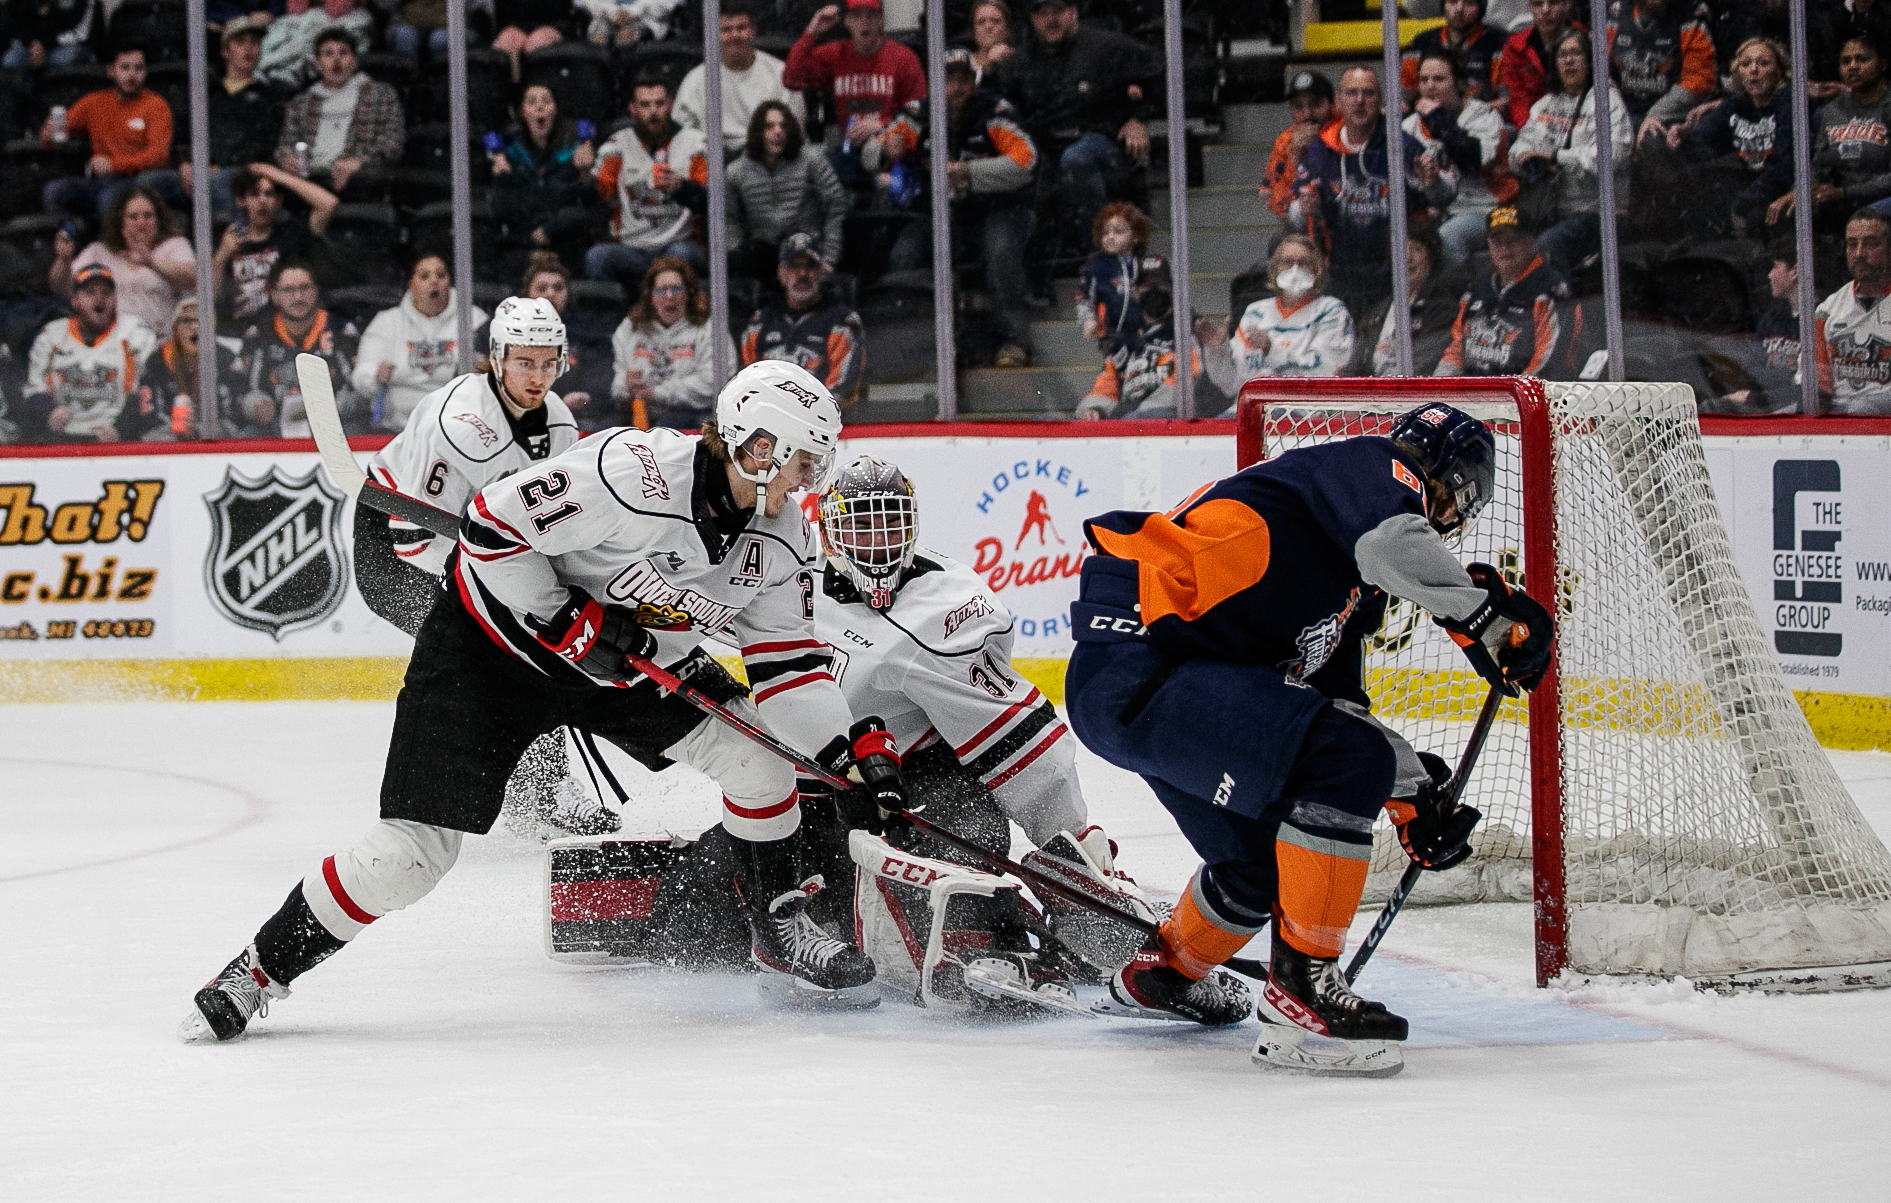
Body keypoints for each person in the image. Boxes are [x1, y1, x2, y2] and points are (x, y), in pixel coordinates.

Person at [180, 360, 912, 1042]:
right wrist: (562, 616)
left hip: (622, 667)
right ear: (758, 448)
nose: (811, 481)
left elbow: (785, 661)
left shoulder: (781, 536)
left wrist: (845, 750)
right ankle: (257, 970)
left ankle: (778, 928)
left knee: (763, 766)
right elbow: (492, 527)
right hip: (488, 650)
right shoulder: (631, 472)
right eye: (804, 462)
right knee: (410, 858)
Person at [1064, 402, 1552, 1077]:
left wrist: (1413, 791)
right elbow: (1390, 542)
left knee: (1259, 863)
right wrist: (1483, 614)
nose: (1441, 515)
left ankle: (1164, 974)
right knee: (1346, 761)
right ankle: (1304, 985)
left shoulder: (1347, 585)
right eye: (1444, 499)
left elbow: (1334, 709)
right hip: (1149, 663)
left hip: (1156, 687)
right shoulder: (1369, 465)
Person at [355, 297, 606, 838]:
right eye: (524, 362)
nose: (538, 377)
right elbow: (414, 538)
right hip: (393, 544)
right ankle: (505, 792)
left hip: (477, 549)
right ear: (496, 359)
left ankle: (535, 793)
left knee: (534, 649)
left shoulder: (560, 424)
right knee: (496, 654)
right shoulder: (458, 425)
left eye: (548, 362)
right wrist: (507, 582)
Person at [873, 49, 1039, 367]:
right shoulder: (918, 113)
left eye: (964, 79)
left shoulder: (994, 111)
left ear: (974, 82)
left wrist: (970, 173)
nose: (957, 87)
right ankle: (913, 347)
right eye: (949, 80)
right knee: (904, 254)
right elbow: (872, 148)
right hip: (937, 213)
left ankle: (1014, 340)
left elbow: (1026, 160)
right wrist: (884, 150)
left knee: (1000, 249)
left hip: (996, 209)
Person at [1288, 66, 1454, 322]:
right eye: (1352, 93)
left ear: (1379, 101)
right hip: (1341, 270)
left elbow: (1445, 195)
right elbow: (1296, 216)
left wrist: (1431, 182)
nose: (1360, 101)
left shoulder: (1401, 144)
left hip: (1396, 272)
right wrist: (1306, 207)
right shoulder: (1320, 149)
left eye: (1368, 93)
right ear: (1339, 102)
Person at [999, 0, 1160, 251]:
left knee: (1076, 160)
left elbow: (1158, 69)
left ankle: (1103, 253)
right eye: (1042, 13)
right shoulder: (1021, 61)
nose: (1050, 19)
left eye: (1058, 11)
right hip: (1048, 148)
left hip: (1102, 142)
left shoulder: (1107, 46)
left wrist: (1138, 118)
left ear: (1073, 12)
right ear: (1032, 19)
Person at [136, 17, 286, 225]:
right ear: (225, 52)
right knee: (146, 183)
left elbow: (266, 145)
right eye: (240, 42)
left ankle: (226, 248)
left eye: (254, 43)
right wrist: (186, 164)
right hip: (196, 173)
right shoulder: (205, 92)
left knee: (223, 181)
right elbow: (181, 135)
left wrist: (218, 167)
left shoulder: (270, 95)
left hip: (239, 173)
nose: (249, 49)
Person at [1510, 29, 1631, 279]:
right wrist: (1526, 157)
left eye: (1576, 53)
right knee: (1503, 236)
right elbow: (1519, 148)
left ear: (1590, 60)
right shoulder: (1546, 103)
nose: (1569, 60)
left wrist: (1557, 158)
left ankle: (1563, 310)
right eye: (1562, 55)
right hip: (1548, 208)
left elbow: (1612, 158)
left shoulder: (1607, 101)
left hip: (1595, 212)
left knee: (1548, 243)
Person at [783, 0, 928, 189]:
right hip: (850, 153)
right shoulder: (835, 54)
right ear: (847, 21)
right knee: (812, 168)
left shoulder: (903, 58)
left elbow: (921, 111)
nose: (864, 22)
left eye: (871, 15)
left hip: (892, 147)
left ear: (881, 21)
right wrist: (813, 29)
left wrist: (883, 124)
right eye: (857, 16)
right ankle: (875, 183)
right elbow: (791, 78)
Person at [588, 77, 710, 295]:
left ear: (670, 105)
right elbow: (597, 195)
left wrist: (681, 187)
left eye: (659, 104)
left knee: (680, 254)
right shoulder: (617, 144)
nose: (653, 111)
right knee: (598, 257)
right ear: (632, 108)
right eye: (645, 105)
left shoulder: (695, 143)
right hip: (632, 248)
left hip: (679, 243)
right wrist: (583, 172)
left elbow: (711, 201)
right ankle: (620, 319)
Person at [1075, 261, 1233, 419]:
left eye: (1159, 284)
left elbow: (1189, 382)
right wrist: (1094, 409)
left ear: (1172, 289)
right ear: (1135, 292)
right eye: (1146, 285)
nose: (1153, 290)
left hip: (1170, 418)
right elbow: (1107, 382)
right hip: (1129, 419)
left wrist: (1139, 413)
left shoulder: (1190, 329)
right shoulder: (1124, 338)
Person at [19, 264, 157, 444]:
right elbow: (33, 387)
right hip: (61, 437)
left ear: (115, 299)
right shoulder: (53, 335)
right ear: (75, 300)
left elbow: (146, 391)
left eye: (106, 293)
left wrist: (122, 429)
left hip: (116, 438)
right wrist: (49, 412)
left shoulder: (134, 332)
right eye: (90, 292)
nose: (99, 299)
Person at [1671, 36, 1793, 239]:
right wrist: (1682, 137)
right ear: (1738, 72)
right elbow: (1701, 143)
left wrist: (1742, 203)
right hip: (1752, 182)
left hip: (1782, 188)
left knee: (1755, 216)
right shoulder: (1734, 104)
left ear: (1779, 71)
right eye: (1746, 64)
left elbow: (1783, 167)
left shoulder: (1787, 102)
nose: (1754, 70)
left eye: (1763, 63)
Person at [353, 254, 490, 432]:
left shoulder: (474, 319)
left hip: (460, 430)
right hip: (398, 430)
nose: (434, 281)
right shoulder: (386, 322)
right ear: (412, 284)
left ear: (450, 283)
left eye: (441, 276)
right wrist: (375, 373)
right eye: (424, 276)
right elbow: (360, 377)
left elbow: (494, 375)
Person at [1434, 206, 1575, 378]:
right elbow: (1456, 349)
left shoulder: (1550, 289)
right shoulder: (1477, 288)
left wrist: (1509, 399)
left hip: (1526, 398)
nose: (1504, 248)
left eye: (1513, 240)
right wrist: (1439, 387)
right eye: (1497, 241)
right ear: (1489, 244)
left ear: (1531, 242)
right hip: (1474, 396)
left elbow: (1550, 360)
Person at [42, 47, 173, 225]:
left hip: (138, 181)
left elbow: (158, 156)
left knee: (108, 199)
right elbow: (54, 134)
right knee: (54, 191)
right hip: (102, 181)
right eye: (125, 68)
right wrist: (49, 133)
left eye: (138, 68)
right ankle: (69, 245)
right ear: (112, 71)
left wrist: (114, 164)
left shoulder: (156, 105)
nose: (132, 75)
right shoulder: (94, 102)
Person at [1771, 37, 1891, 231]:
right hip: (1839, 196)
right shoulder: (1833, 110)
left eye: (1862, 59)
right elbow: (1820, 163)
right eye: (1846, 61)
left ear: (1883, 64)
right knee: (1787, 214)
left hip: (1878, 198)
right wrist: (1802, 191)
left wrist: (1844, 192)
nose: (1853, 66)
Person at [1406, 50, 1509, 273]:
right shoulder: (1410, 125)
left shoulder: (1483, 116)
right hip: (1438, 211)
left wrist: (1439, 121)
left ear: (1460, 84)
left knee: (1450, 235)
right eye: (1424, 80)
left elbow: (1474, 161)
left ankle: (1452, 302)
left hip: (1487, 209)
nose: (1430, 86)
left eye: (1439, 79)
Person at [232, 260, 361, 436]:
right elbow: (238, 386)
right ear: (274, 294)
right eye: (288, 290)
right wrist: (254, 405)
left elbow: (361, 388)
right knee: (246, 436)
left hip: (333, 428)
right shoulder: (259, 335)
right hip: (274, 427)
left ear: (316, 291)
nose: (298, 297)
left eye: (305, 288)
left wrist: (334, 409)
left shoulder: (341, 331)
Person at [725, 102, 848, 285]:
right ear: (757, 132)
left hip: (807, 250)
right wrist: (735, 248)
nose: (777, 131)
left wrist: (829, 259)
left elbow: (837, 207)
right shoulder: (736, 171)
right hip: (763, 254)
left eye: (783, 126)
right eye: (769, 126)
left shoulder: (812, 161)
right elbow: (729, 218)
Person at [275, 29, 406, 200]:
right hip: (309, 178)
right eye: (328, 54)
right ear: (318, 63)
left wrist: (359, 161)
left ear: (354, 62)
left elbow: (393, 140)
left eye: (343, 53)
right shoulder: (302, 102)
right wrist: (287, 158)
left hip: (357, 177)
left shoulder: (380, 94)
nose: (336, 60)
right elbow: (287, 143)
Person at [52, 187, 196, 341]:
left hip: (159, 343)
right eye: (133, 217)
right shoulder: (99, 251)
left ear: (158, 220)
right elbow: (62, 287)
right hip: (111, 345)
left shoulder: (174, 246)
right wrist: (63, 261)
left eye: (148, 216)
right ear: (121, 221)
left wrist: (151, 262)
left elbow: (193, 278)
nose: (141, 222)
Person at [740, 234, 865, 408]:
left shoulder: (844, 323)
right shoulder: (759, 323)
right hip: (766, 424)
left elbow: (843, 392)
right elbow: (743, 385)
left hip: (821, 428)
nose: (803, 273)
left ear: (822, 273)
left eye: (810, 266)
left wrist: (798, 416)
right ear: (781, 274)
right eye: (794, 266)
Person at [610, 255, 732, 429]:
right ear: (650, 294)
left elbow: (713, 384)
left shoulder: (709, 330)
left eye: (676, 289)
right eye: (661, 290)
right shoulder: (630, 328)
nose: (669, 296)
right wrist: (627, 386)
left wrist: (656, 393)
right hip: (638, 416)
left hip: (691, 418)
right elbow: (615, 383)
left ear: (689, 293)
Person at [211, 164, 339, 329]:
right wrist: (222, 255)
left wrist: (275, 174)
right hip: (238, 330)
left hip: (286, 330)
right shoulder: (226, 238)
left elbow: (329, 203)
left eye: (269, 194)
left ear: (278, 201)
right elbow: (210, 298)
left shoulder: (291, 233)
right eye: (254, 194)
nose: (262, 200)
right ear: (241, 200)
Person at [489, 83, 599, 275]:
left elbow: (587, 207)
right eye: (532, 102)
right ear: (522, 112)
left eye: (546, 101)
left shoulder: (575, 152)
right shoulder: (510, 155)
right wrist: (502, 177)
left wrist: (585, 173)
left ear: (555, 110)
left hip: (564, 240)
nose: (540, 106)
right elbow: (502, 211)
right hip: (524, 243)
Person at [674, 0, 806, 157]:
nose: (735, 35)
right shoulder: (695, 80)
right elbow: (682, 133)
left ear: (753, 31)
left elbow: (796, 126)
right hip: (717, 159)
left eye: (741, 28)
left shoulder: (780, 72)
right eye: (726, 30)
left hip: (769, 156)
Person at [1224, 234, 1354, 383]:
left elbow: (1326, 373)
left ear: (1317, 268)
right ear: (1274, 268)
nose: (1295, 269)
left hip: (1307, 404)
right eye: (1287, 262)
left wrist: (1271, 350)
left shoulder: (1332, 312)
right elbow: (1232, 382)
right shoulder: (1255, 313)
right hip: (1255, 403)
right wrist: (1215, 349)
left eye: (1304, 262)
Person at [1705, 235, 1803, 413]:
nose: (1769, 275)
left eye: (1775, 266)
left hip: (1789, 407)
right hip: (1764, 402)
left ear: (1794, 272)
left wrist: (1766, 388)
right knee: (1711, 408)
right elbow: (1750, 370)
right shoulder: (1771, 319)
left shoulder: (1818, 318)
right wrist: (1784, 377)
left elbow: (1804, 382)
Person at [1815, 208, 1891, 414]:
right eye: (1852, 244)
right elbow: (1817, 382)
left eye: (1870, 244)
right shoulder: (1827, 310)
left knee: (1863, 408)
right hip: (1839, 416)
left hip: (1882, 421)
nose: (1859, 253)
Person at [1356, 228, 1461, 376]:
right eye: (1401, 249)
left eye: (1417, 250)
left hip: (1406, 394)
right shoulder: (1378, 310)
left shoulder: (1442, 309)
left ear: (1430, 260)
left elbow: (1420, 367)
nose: (1408, 257)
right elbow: (1355, 364)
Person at [520, 253, 610, 425]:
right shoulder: (507, 331)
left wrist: (583, 398)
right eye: (541, 288)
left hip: (574, 415)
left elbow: (599, 385)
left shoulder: (588, 331)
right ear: (527, 294)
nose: (550, 294)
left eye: (558, 288)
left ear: (568, 293)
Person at [132, 296, 238, 440]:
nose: (195, 327)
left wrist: (199, 431)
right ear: (175, 327)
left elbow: (236, 418)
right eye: (187, 321)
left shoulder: (225, 358)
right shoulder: (157, 361)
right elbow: (149, 421)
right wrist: (179, 430)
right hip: (170, 443)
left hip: (216, 445)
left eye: (201, 321)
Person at [1605, 0, 1716, 137]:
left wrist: (1655, 115)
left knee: (1652, 140)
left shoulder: (1691, 13)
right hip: (1621, 111)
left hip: (1672, 116)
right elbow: (1600, 75)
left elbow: (1700, 81)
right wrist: (1617, 115)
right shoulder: (1614, 11)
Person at [1074, 201, 1156, 351]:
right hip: (1112, 338)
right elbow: (1084, 299)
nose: (1110, 237)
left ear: (1135, 236)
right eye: (1106, 232)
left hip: (1146, 337)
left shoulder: (1146, 266)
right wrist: (1088, 321)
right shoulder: (1096, 268)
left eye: (1118, 232)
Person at [1495, 0, 1583, 129]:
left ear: (1567, 5)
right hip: (1535, 123)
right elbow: (1519, 99)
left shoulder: (1586, 40)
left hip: (1579, 120)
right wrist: (1526, 131)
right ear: (1529, 7)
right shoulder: (1515, 47)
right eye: (1538, 4)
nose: (1545, 10)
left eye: (1553, 3)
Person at [1401, 0, 1509, 106]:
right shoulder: (1420, 44)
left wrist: (1472, 113)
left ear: (1481, 7)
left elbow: (1506, 100)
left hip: (1482, 119)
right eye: (1452, 2)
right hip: (1428, 119)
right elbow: (1404, 98)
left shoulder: (1501, 43)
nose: (1459, 9)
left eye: (1469, 3)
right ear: (1443, 5)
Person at [256, 0, 375, 91]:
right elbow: (295, 10)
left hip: (315, 67)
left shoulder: (359, 20)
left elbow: (337, 10)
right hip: (293, 43)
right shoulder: (311, 16)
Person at [1264, 71, 1336, 221]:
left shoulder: (1347, 128)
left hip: (1345, 213)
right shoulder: (1285, 142)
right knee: (1281, 236)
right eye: (1298, 106)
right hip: (1306, 223)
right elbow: (1278, 205)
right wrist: (1294, 157)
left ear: (1332, 104)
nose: (1307, 114)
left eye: (1316, 104)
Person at [4, 0, 98, 70]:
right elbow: (16, 25)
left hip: (72, 44)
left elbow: (81, 35)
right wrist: (34, 44)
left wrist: (45, 44)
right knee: (11, 59)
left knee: (60, 59)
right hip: (35, 44)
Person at [492, 0, 572, 80]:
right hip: (511, 24)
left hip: (553, 23)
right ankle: (511, 89)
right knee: (505, 47)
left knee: (536, 46)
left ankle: (537, 88)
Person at [967, 0, 1016, 83]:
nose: (988, 26)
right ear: (973, 30)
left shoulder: (1022, 60)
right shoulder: (963, 61)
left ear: (1007, 28)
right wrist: (989, 64)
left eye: (995, 21)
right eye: (981, 22)